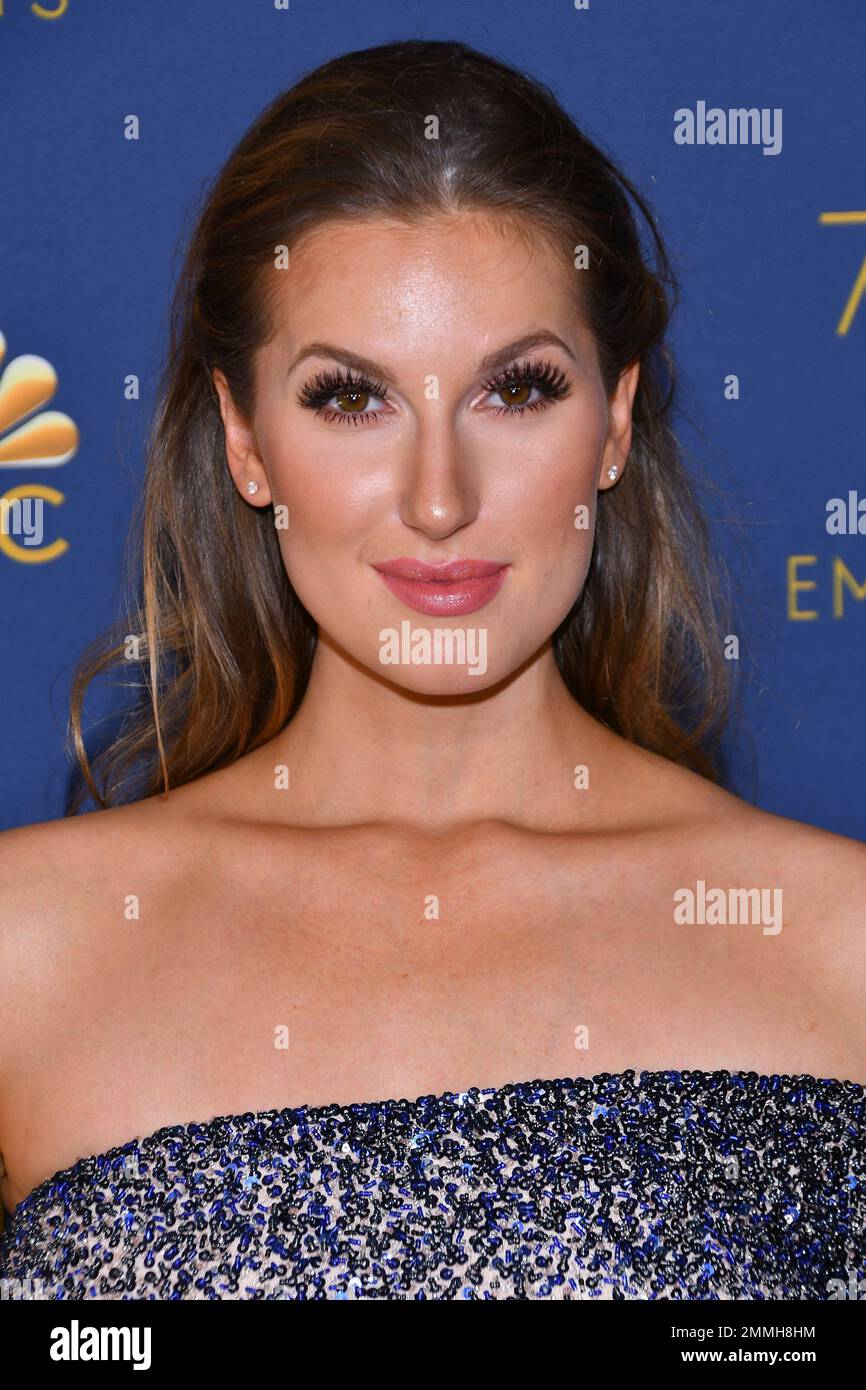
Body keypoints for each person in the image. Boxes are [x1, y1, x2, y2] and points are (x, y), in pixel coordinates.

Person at [1, 38, 863, 1301]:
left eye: (515, 389)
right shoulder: (27, 950)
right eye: (350, 398)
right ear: (244, 441)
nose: (439, 499)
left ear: (614, 423)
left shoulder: (835, 949)